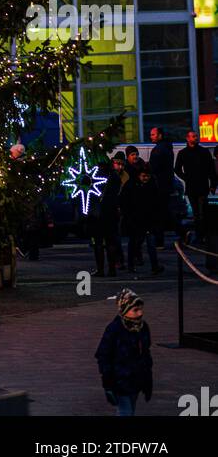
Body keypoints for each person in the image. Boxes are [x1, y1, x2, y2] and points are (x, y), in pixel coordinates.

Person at [95, 288, 153, 417]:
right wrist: (108, 383)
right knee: (125, 411)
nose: (140, 313)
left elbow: (145, 354)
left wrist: (147, 380)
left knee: (130, 409)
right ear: (125, 309)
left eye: (140, 309)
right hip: (120, 381)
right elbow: (103, 355)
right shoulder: (115, 329)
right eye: (135, 310)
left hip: (136, 379)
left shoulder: (143, 327)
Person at [174, 130, 218, 244]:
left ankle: (202, 235)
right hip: (192, 187)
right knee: (196, 213)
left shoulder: (203, 152)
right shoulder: (183, 153)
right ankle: (200, 236)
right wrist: (186, 178)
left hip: (202, 186)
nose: (196, 138)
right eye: (193, 136)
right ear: (187, 138)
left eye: (196, 136)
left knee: (202, 213)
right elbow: (177, 169)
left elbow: (211, 169)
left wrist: (213, 184)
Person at [120, 165, 164, 276]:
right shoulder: (132, 185)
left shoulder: (151, 185)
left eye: (147, 176)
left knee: (149, 243)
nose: (146, 178)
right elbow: (124, 201)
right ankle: (131, 265)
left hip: (147, 220)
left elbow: (156, 203)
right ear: (139, 175)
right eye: (144, 176)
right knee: (135, 243)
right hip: (135, 219)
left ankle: (154, 266)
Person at [88, 162, 120, 277]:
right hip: (111, 212)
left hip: (98, 213)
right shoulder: (115, 176)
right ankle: (112, 269)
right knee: (111, 241)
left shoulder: (94, 176)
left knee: (98, 242)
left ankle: (100, 269)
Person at [147, 126, 175, 248]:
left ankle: (159, 241)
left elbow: (153, 169)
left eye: (153, 134)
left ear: (160, 135)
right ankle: (182, 231)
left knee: (159, 214)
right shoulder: (168, 148)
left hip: (159, 186)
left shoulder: (158, 150)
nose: (151, 136)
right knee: (164, 212)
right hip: (166, 185)